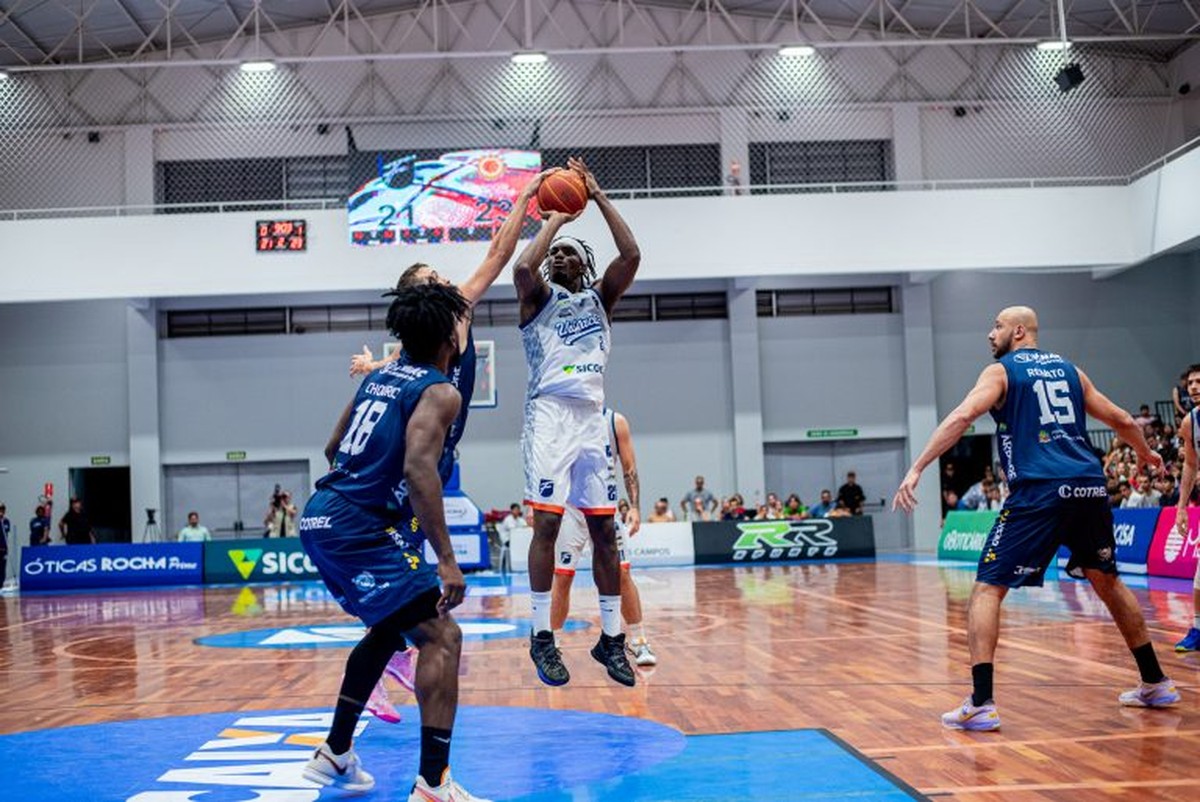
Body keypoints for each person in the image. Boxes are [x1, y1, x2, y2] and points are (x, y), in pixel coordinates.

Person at [893, 306, 1179, 732]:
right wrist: (1143, 451)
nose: (990, 335)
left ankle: (982, 700)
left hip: (1040, 491)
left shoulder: (1002, 373)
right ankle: (1155, 681)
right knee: (1108, 580)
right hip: (1088, 485)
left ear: (1019, 331)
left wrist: (917, 467)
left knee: (987, 589)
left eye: (997, 326)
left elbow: (961, 417)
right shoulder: (1071, 371)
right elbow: (1120, 419)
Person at [346, 170, 549, 719]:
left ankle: (388, 652)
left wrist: (375, 364)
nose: (446, 281)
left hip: (433, 449)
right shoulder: (451, 313)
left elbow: (402, 359)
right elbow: (498, 254)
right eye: (433, 278)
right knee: (407, 570)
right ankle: (387, 652)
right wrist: (528, 199)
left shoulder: (433, 330)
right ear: (422, 296)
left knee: (405, 567)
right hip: (416, 456)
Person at [298, 281, 490, 802]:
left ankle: (336, 753)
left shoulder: (380, 379)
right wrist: (448, 561)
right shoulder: (438, 391)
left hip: (322, 514)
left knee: (388, 631)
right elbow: (418, 467)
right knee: (442, 636)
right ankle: (433, 785)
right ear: (451, 336)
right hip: (357, 525)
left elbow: (334, 446)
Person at [515, 156, 641, 688]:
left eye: (568, 254)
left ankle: (611, 641)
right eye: (555, 256)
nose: (558, 259)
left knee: (604, 532)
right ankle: (542, 636)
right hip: (550, 415)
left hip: (591, 420)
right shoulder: (537, 299)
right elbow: (523, 268)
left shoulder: (600, 300)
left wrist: (598, 194)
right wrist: (556, 218)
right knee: (546, 524)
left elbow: (631, 254)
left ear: (584, 268)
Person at [550, 409, 657, 667]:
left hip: (605, 509)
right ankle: (551, 644)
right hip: (571, 511)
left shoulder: (615, 421)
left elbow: (629, 467)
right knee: (562, 577)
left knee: (621, 574)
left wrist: (634, 506)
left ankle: (638, 641)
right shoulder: (562, 421)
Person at [1172, 364, 1200, 652]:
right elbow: (1190, 465)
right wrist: (1181, 507)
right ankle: (1198, 629)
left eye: (1199, 381)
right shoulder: (1190, 422)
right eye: (1190, 382)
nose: (1193, 387)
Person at [0, 504, 10, 585]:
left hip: (4, 548)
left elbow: (6, 532)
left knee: (3, 567)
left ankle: (1, 583)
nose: (1, 511)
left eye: (3, 509)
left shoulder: (6, 521)